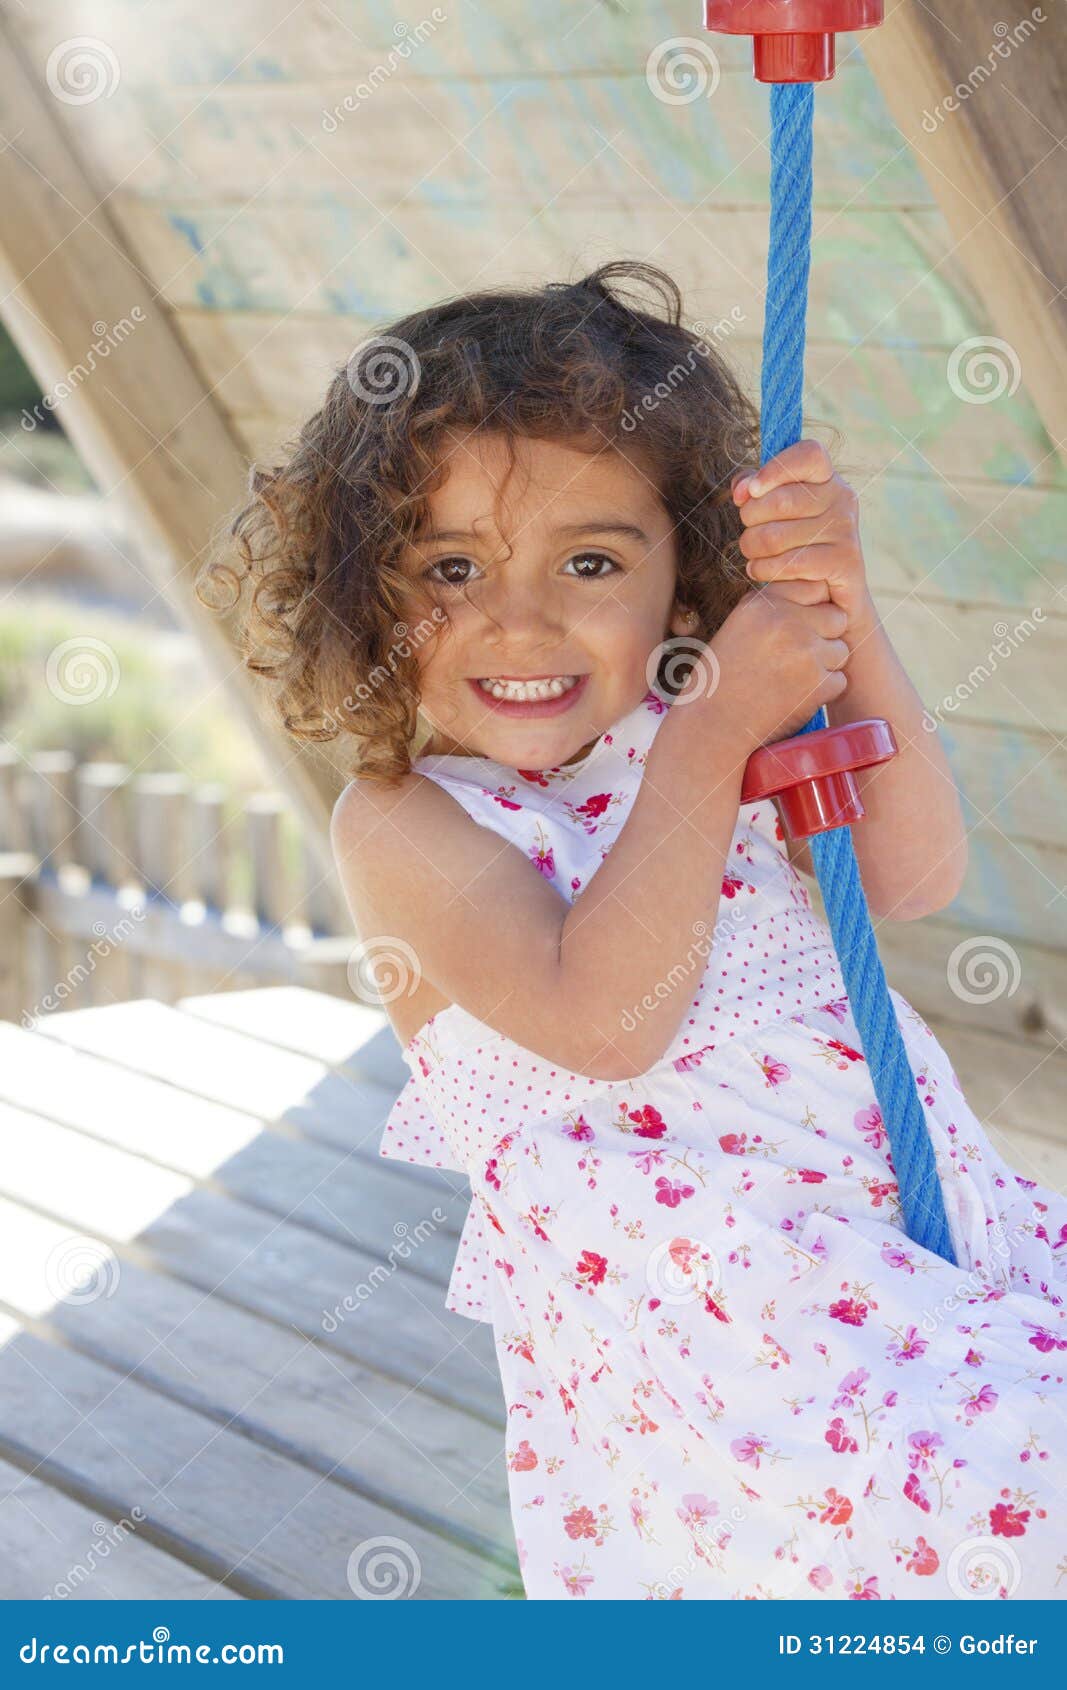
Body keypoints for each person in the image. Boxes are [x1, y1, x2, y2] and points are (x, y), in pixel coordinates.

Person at [209, 261, 1067, 1600]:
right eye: (451, 566)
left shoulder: (690, 719)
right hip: (749, 1370)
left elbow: (910, 869)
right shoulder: (410, 824)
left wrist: (839, 609)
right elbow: (606, 1017)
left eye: (592, 560)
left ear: (686, 584)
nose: (522, 618)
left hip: (925, 1240)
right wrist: (718, 733)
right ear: (367, 593)